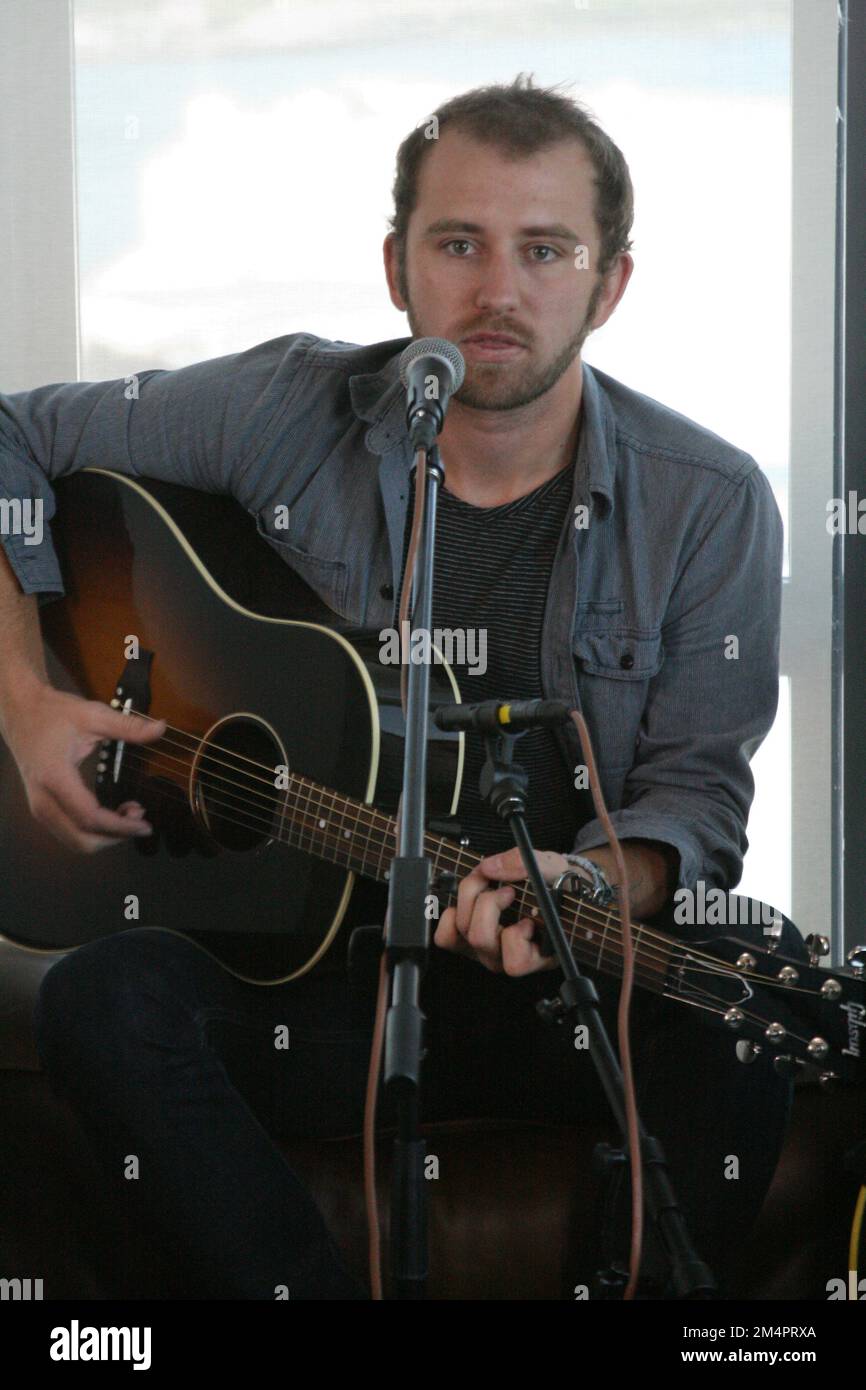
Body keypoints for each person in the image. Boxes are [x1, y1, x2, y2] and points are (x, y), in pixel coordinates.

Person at [0, 76, 803, 1299]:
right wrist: (26, 702)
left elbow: (693, 801)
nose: (497, 291)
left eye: (545, 250)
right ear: (395, 267)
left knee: (737, 1001)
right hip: (303, 982)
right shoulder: (284, 407)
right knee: (106, 1000)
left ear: (610, 282)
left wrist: (587, 880)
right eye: (458, 244)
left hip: (547, 991)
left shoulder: (708, 500)